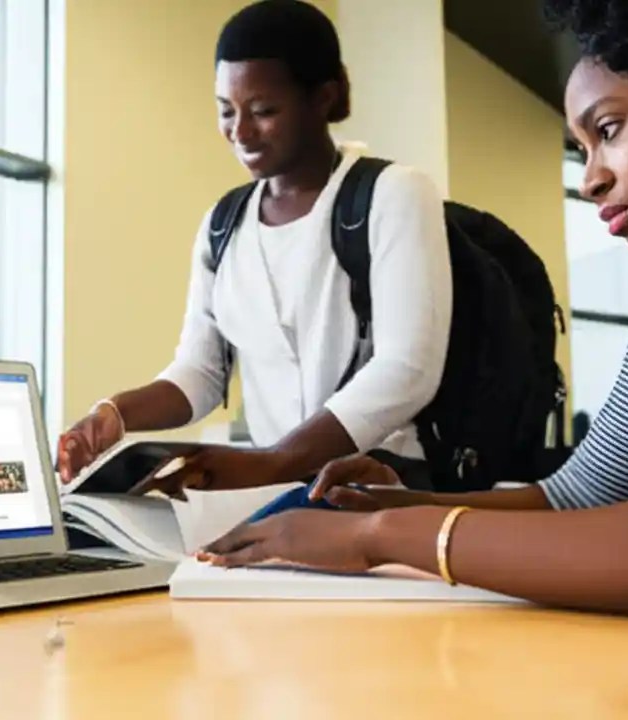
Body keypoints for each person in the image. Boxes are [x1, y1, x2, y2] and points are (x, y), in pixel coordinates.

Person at [201, 0, 628, 631]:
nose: (592, 178)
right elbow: (579, 499)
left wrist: (385, 535)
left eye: (610, 129)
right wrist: (395, 502)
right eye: (582, 146)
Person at [56, 0, 451, 495]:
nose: (239, 132)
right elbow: (200, 372)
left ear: (323, 97)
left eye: (263, 111)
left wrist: (274, 460)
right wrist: (114, 414)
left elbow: (407, 368)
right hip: (278, 490)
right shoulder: (223, 225)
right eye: (226, 111)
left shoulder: (392, 193)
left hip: (381, 484)